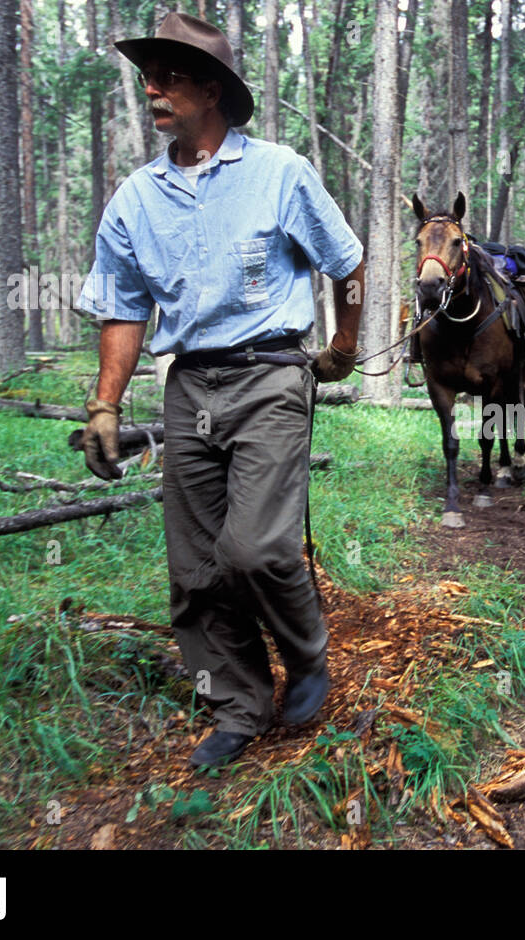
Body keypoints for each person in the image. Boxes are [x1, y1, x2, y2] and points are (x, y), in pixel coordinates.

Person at [75, 12, 365, 770]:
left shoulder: (279, 172)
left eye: (169, 76)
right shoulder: (137, 199)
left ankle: (306, 656)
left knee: (256, 548)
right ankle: (237, 704)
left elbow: (348, 262)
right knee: (196, 570)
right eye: (150, 76)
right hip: (189, 385)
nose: (153, 89)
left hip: (271, 375)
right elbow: (121, 305)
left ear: (212, 89)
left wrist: (342, 346)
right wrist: (106, 403)